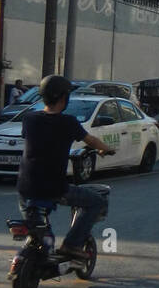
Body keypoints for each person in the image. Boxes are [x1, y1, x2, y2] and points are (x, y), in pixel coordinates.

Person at [16, 75, 115, 260]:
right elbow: (91, 140)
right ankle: (71, 244)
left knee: (36, 223)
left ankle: (42, 240)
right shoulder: (68, 122)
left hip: (25, 188)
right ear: (64, 98)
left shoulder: (29, 119)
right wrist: (105, 148)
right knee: (97, 202)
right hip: (53, 188)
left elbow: (42, 142)